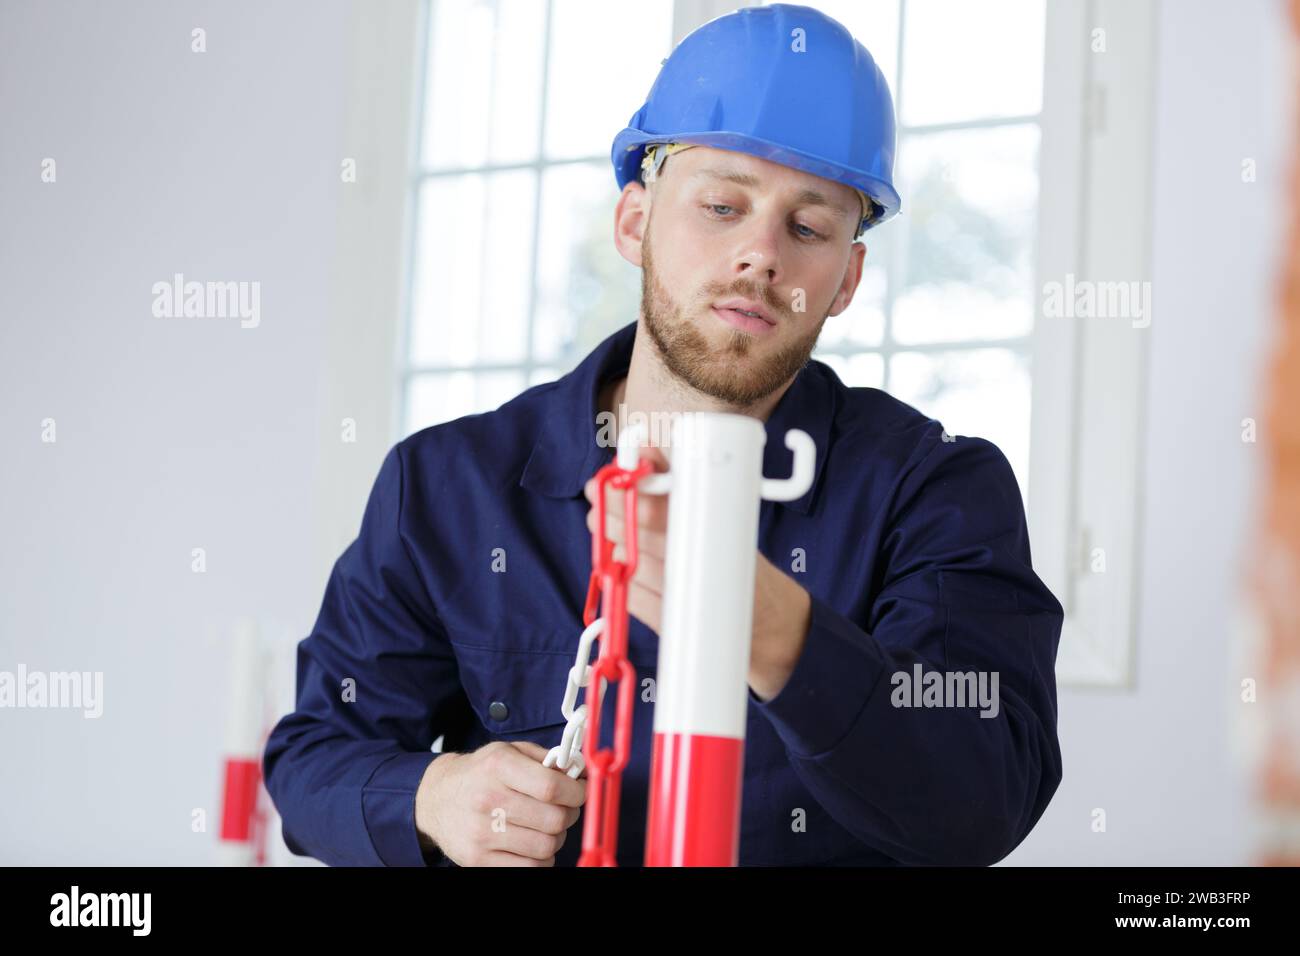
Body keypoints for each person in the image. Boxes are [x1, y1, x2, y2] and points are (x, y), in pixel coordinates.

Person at [263, 3, 1063, 867]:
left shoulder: (936, 494)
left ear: (845, 280)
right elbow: (313, 761)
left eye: (808, 227)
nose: (761, 256)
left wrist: (776, 634)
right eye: (722, 205)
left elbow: (982, 801)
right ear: (634, 222)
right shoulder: (449, 486)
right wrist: (431, 797)